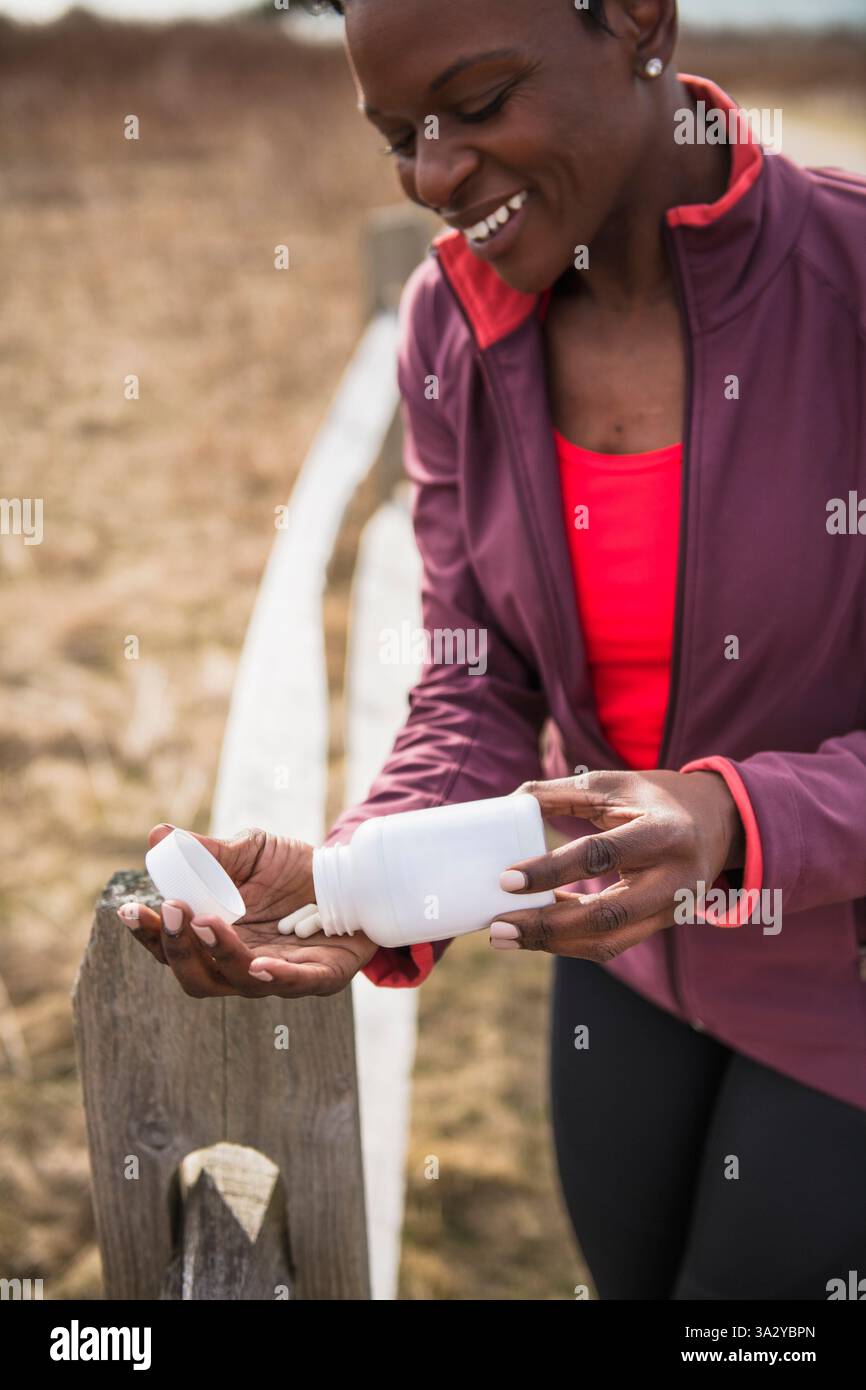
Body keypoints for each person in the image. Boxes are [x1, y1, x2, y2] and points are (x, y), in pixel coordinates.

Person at [121, 0, 866, 1299]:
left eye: (474, 106)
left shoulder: (847, 282)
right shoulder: (449, 332)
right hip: (622, 972)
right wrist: (362, 876)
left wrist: (726, 816)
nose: (430, 176)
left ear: (636, 20)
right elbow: (478, 675)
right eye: (398, 136)